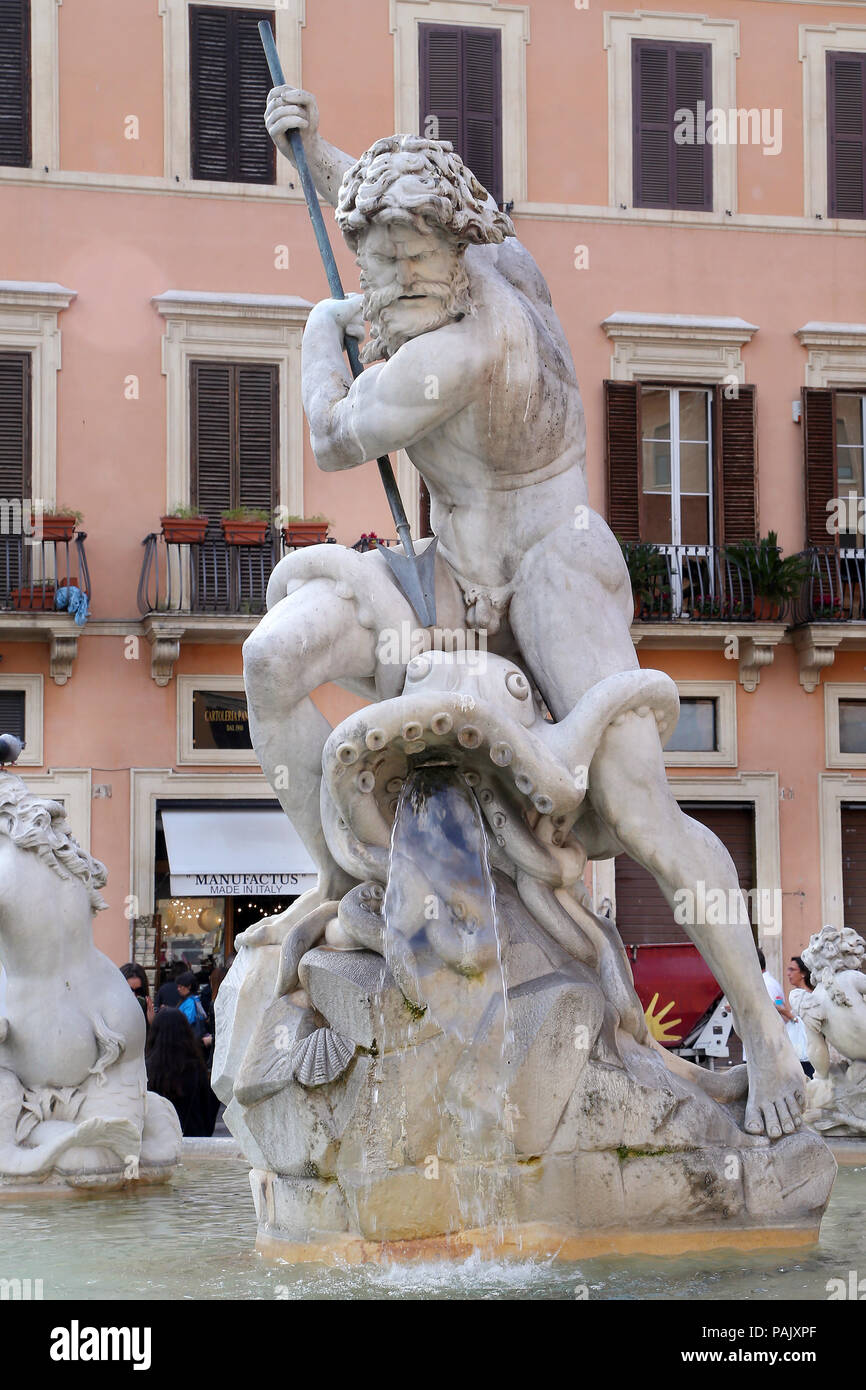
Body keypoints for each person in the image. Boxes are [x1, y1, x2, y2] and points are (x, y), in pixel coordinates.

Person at [238, 83, 806, 1138]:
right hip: (446, 574)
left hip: (551, 567)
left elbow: (330, 436)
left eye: (409, 268)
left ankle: (769, 1043)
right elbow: (377, 199)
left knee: (638, 807)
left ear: (459, 253)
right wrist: (314, 152)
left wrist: (325, 324)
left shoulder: (461, 347)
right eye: (372, 266)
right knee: (274, 659)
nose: (386, 286)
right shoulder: (476, 249)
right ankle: (341, 873)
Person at [144, 1008, 219, 1137]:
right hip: (192, 1137)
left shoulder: (147, 1069)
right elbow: (208, 1108)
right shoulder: (196, 1067)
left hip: (157, 1139)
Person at [785, 955, 815, 1078]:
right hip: (796, 1055)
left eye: (792, 970)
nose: (788, 974)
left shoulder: (807, 996)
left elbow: (800, 1021)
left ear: (803, 973)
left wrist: (780, 1009)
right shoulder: (798, 994)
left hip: (805, 1055)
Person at [176, 971, 213, 1052]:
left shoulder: (189, 1002)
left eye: (180, 986)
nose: (178, 989)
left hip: (188, 1040)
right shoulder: (195, 999)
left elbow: (187, 1021)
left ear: (189, 986)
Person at [119, 962, 155, 1026]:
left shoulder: (148, 1012)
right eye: (129, 990)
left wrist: (152, 1023)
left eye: (139, 990)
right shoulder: (110, 1012)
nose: (134, 996)